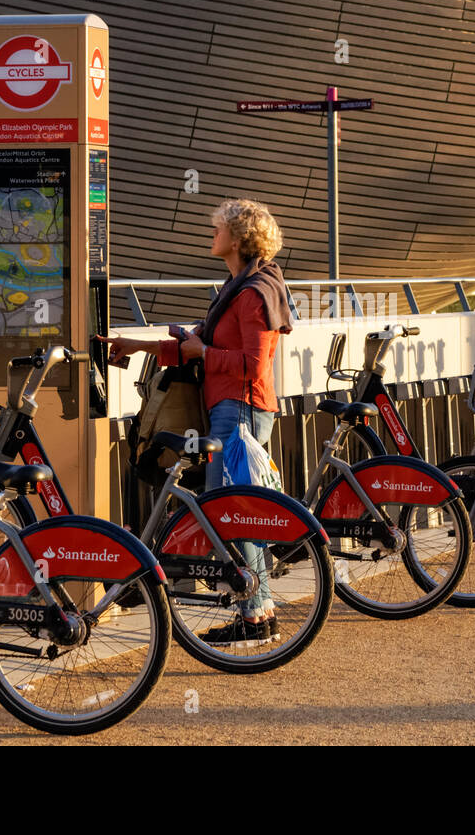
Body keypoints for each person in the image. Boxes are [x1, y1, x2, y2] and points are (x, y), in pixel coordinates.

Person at [98, 197, 293, 644]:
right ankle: (259, 613)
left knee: (234, 512)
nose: (212, 235)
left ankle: (254, 616)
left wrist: (202, 353)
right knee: (236, 511)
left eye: (218, 229)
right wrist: (133, 344)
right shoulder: (239, 286)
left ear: (239, 238)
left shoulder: (253, 294)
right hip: (230, 407)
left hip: (241, 409)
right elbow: (197, 347)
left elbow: (253, 365)